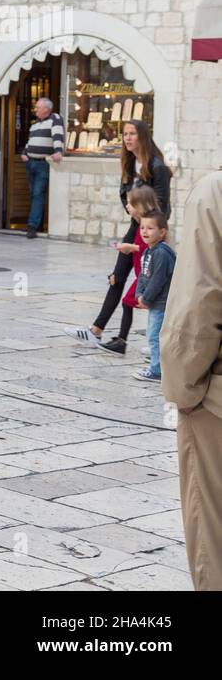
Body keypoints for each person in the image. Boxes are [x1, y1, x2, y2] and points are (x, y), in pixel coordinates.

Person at [160, 169, 222, 591]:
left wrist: (183, 386)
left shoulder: (215, 192)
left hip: (216, 404)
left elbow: (199, 301)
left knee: (214, 539)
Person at [66, 121, 172, 352]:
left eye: (132, 134)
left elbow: (164, 207)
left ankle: (156, 343)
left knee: (150, 285)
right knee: (117, 277)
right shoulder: (129, 162)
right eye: (125, 134)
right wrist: (129, 209)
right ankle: (97, 330)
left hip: (149, 232)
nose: (127, 138)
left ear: (143, 136)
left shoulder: (157, 167)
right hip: (134, 227)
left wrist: (141, 216)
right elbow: (124, 194)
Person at [66, 185, 159, 355]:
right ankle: (126, 342)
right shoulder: (140, 225)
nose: (127, 206)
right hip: (143, 275)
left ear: (140, 206)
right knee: (136, 304)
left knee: (151, 309)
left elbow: (153, 248)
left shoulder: (148, 225)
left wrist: (130, 247)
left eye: (130, 204)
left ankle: (138, 344)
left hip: (148, 275)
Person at [132, 211, 175, 382]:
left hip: (162, 303)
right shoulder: (148, 252)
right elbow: (143, 275)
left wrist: (147, 298)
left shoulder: (162, 253)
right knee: (154, 335)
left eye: (150, 228)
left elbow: (158, 279)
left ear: (162, 232)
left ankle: (157, 370)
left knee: (154, 336)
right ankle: (159, 366)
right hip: (154, 302)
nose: (144, 231)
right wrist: (139, 294)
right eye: (142, 227)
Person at [20, 96, 64, 238]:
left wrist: (58, 151)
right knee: (34, 194)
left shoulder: (55, 119)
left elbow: (58, 136)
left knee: (38, 194)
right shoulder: (35, 124)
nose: (35, 109)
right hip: (30, 162)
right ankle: (36, 224)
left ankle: (32, 226)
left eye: (38, 107)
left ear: (46, 109)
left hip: (42, 164)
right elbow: (30, 141)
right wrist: (24, 153)